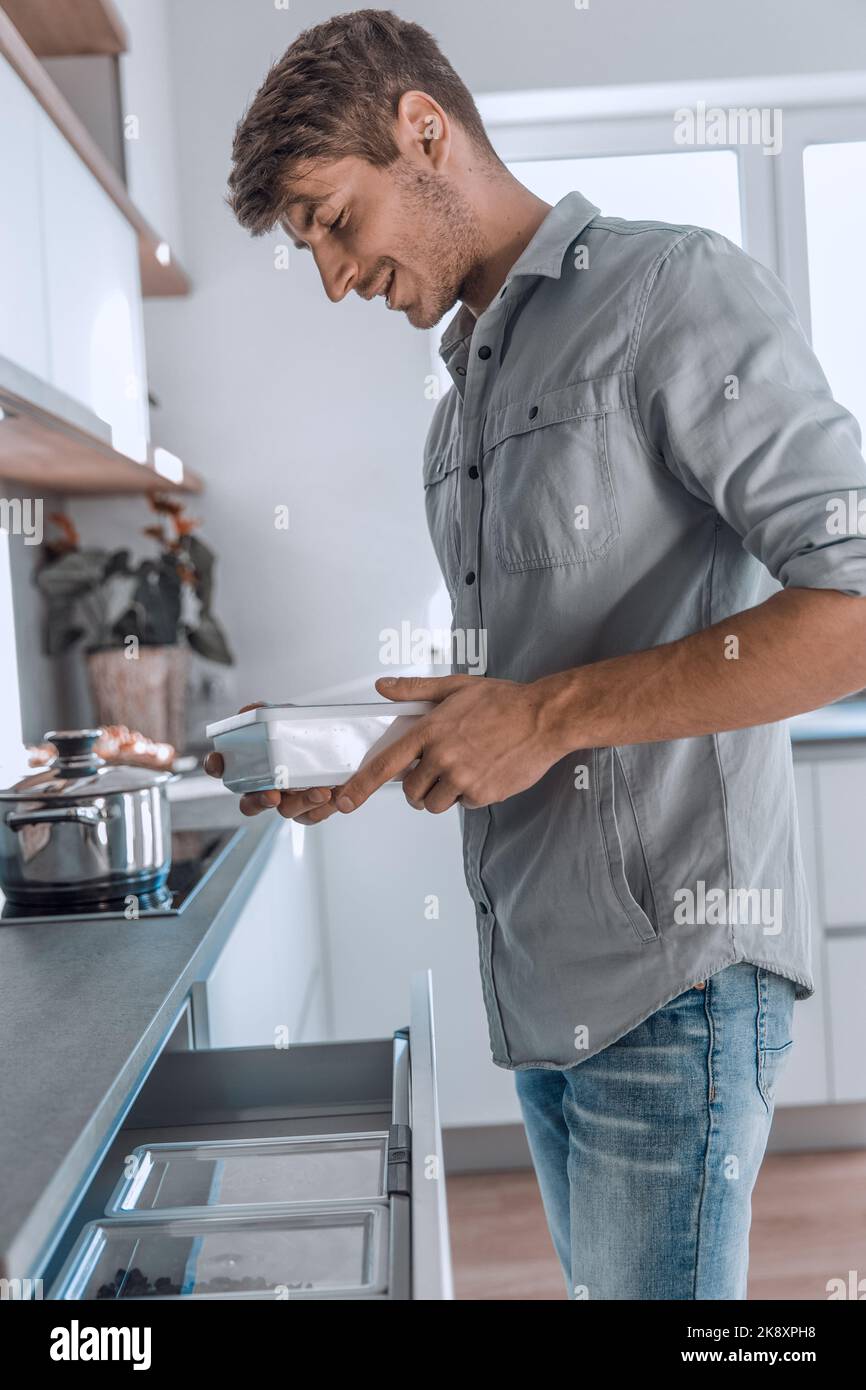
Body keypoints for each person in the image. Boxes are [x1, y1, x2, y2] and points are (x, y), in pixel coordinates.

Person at [206, 9, 866, 1299]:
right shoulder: (460, 409)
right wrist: (374, 749)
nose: (337, 278)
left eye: (335, 222)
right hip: (543, 986)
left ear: (422, 130)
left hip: (674, 983)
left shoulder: (672, 288)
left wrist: (548, 718)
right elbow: (519, 692)